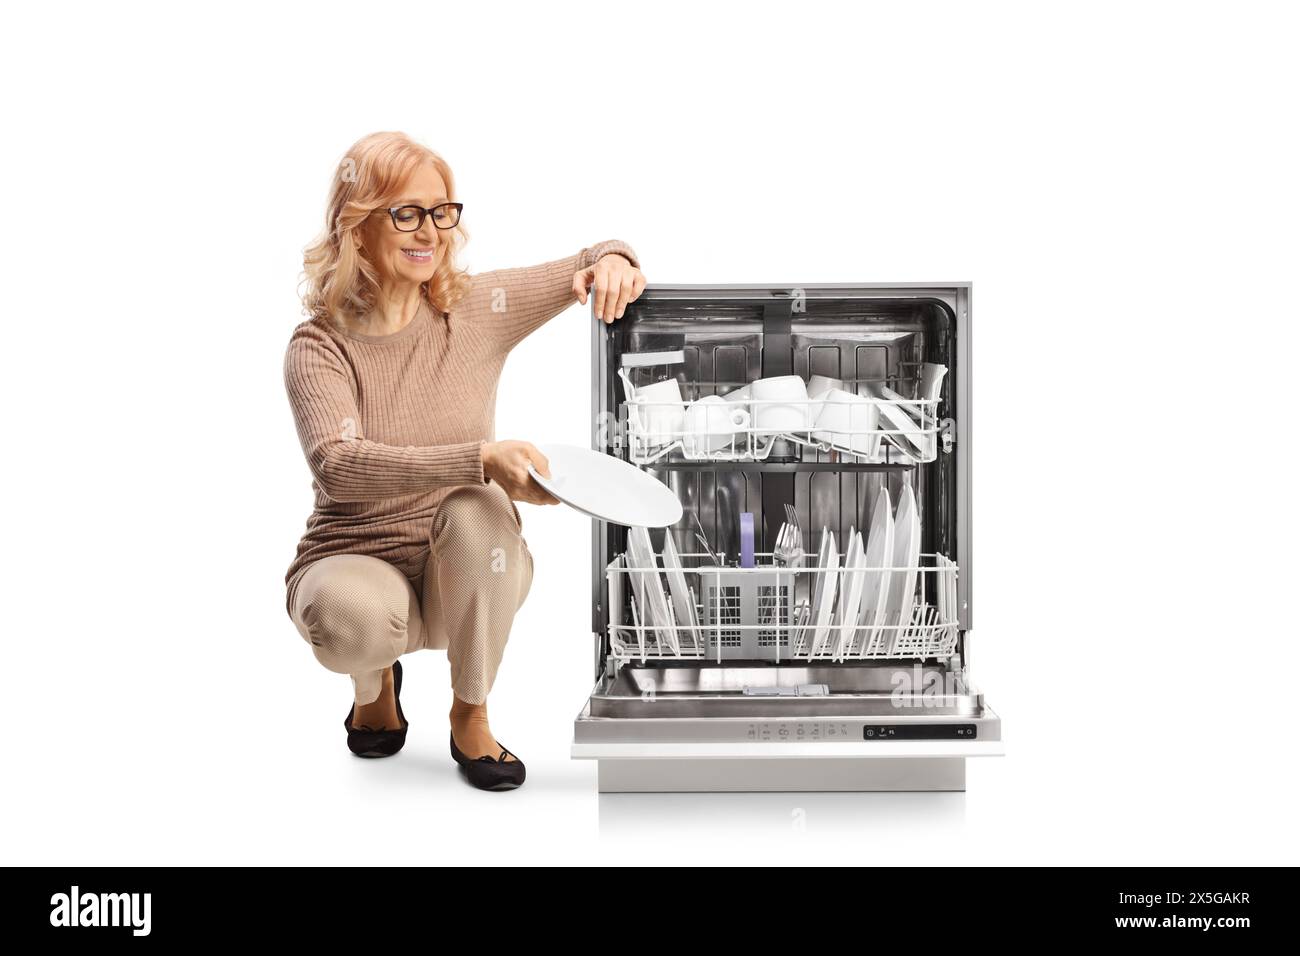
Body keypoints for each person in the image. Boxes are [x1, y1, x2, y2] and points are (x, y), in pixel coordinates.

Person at [283, 131, 644, 790]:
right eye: (407, 212)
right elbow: (339, 462)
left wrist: (615, 260)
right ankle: (375, 691)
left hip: (463, 574)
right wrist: (479, 457)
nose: (432, 230)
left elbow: (590, 260)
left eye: (443, 210)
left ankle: (469, 712)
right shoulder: (318, 345)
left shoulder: (475, 308)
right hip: (355, 553)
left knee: (480, 510)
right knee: (348, 618)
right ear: (357, 226)